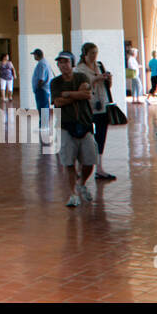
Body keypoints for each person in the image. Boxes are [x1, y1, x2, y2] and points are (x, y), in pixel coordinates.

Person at [49, 50, 96, 207]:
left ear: (72, 64)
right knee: (68, 162)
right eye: (60, 63)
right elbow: (58, 102)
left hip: (85, 124)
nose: (63, 66)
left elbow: (87, 95)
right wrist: (77, 94)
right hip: (65, 125)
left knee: (90, 160)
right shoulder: (55, 83)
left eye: (66, 62)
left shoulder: (81, 77)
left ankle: (81, 182)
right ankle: (73, 194)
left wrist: (68, 94)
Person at [76, 43, 116, 182]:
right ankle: (81, 166)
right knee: (86, 136)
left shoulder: (99, 66)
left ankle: (99, 167)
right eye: (92, 53)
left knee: (101, 136)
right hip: (87, 106)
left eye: (96, 53)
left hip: (102, 105)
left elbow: (106, 87)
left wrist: (108, 80)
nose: (94, 56)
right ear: (85, 54)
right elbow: (81, 86)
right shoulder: (79, 69)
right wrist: (95, 79)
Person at [30, 48, 53, 129]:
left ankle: (44, 125)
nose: (34, 57)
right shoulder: (44, 63)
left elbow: (41, 78)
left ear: (37, 55)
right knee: (44, 107)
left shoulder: (42, 64)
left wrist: (38, 87)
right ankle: (44, 124)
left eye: (34, 55)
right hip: (44, 89)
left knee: (42, 107)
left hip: (42, 89)